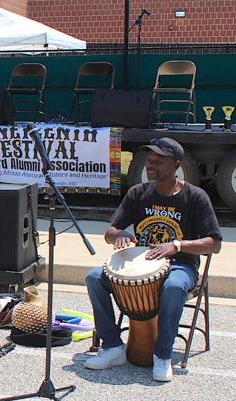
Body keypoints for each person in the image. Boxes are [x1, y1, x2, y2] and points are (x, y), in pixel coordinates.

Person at [84, 137, 221, 382]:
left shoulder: (195, 197)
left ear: (175, 165)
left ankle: (162, 356)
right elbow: (109, 232)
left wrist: (176, 245)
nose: (150, 165)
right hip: (142, 264)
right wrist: (120, 235)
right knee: (94, 277)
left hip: (181, 265)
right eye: (149, 160)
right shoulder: (138, 192)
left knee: (174, 287)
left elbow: (215, 243)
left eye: (158, 161)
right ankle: (113, 346)